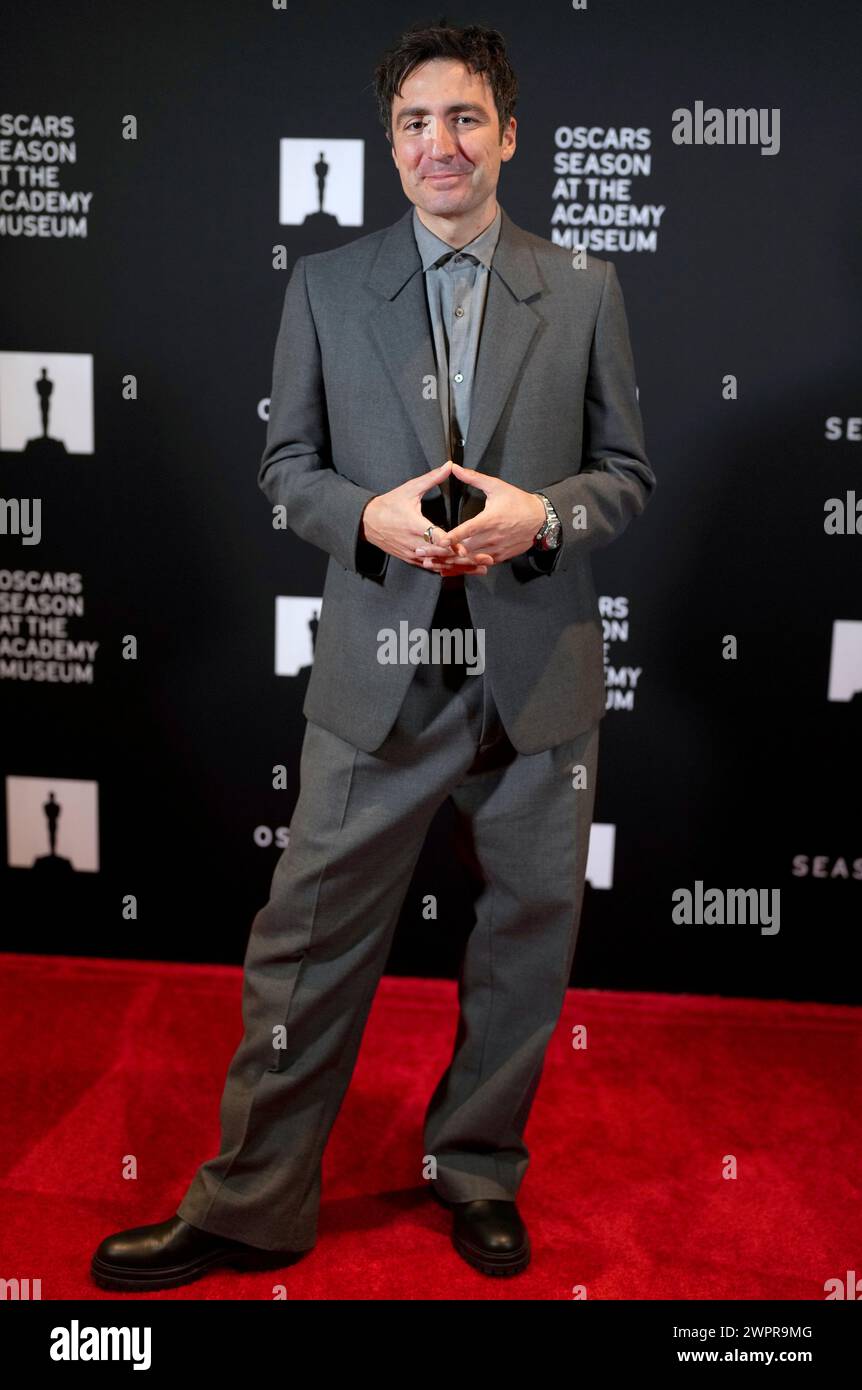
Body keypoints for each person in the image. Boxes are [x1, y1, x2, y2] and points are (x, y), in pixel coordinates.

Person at [91, 19, 655, 1291]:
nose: (437, 144)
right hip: (374, 677)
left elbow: (624, 476)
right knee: (304, 940)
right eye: (413, 122)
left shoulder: (583, 288)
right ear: (389, 144)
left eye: (463, 119)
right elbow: (285, 468)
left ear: (508, 136)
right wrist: (363, 516)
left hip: (538, 682)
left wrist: (542, 515)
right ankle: (250, 1199)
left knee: (526, 940)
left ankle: (479, 1170)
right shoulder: (326, 285)